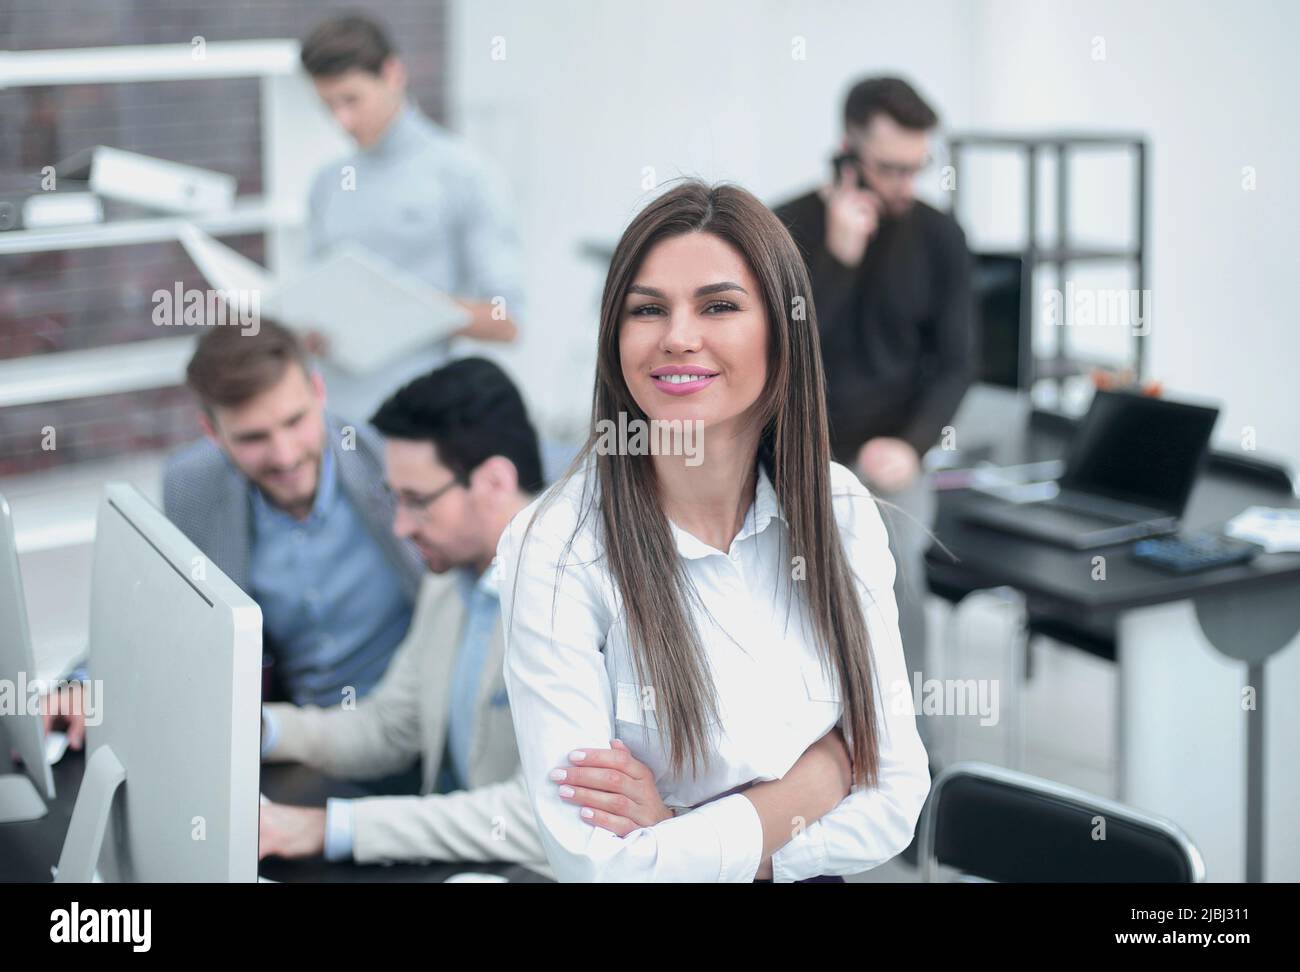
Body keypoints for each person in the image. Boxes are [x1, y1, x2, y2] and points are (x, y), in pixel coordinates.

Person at [496, 180, 931, 882]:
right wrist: (823, 775)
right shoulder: (554, 547)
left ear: (782, 332)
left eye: (719, 306)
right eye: (647, 309)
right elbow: (597, 868)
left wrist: (678, 830)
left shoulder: (840, 507)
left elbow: (896, 800)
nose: (677, 336)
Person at [257, 359, 552, 869]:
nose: (400, 527)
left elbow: (537, 816)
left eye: (417, 501)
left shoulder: (568, 595)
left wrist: (330, 827)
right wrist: (261, 729)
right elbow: (390, 728)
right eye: (395, 499)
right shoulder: (449, 578)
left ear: (494, 482)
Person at [774, 77, 975, 730]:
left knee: (898, 575)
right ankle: (806, 737)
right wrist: (838, 259)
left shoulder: (940, 236)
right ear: (848, 150)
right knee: (790, 585)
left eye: (917, 167)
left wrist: (913, 445)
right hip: (798, 451)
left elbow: (958, 363)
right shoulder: (786, 227)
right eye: (890, 168)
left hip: (893, 450)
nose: (905, 185)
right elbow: (780, 354)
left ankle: (907, 741)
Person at [164, 320, 421, 708]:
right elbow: (162, 609)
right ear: (211, 432)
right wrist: (85, 682)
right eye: (253, 437)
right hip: (285, 724)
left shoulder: (389, 460)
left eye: (294, 421)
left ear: (319, 392)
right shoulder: (192, 486)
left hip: (408, 715)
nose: (285, 457)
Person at [299, 13, 524, 421]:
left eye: (351, 100)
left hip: (420, 423)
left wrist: (407, 307)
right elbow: (312, 299)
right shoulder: (326, 184)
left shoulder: (464, 174)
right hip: (330, 421)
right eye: (328, 106)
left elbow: (506, 320)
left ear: (392, 74)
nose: (341, 121)